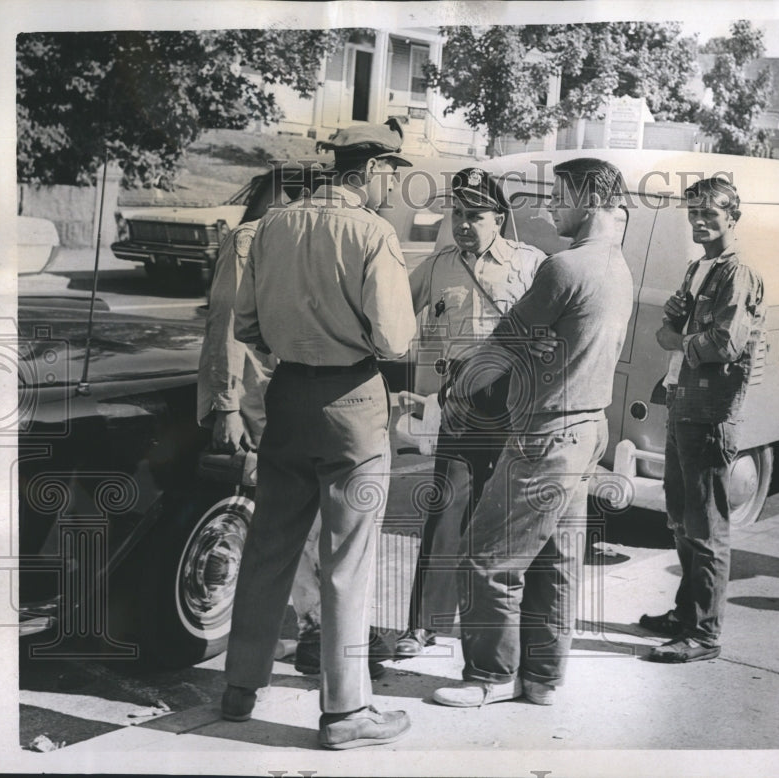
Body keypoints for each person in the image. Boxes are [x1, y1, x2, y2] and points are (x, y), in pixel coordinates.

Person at [220, 119, 417, 750]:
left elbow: (245, 324)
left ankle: (239, 689)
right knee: (347, 563)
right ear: (373, 170)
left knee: (270, 546)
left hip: (286, 396)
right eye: (391, 171)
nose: (393, 182)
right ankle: (345, 714)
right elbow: (394, 338)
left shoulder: (273, 224)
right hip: (351, 400)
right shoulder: (373, 231)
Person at [430, 158, 634, 707]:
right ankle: (541, 678)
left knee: (486, 556)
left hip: (544, 434)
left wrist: (458, 392)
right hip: (587, 427)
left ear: (589, 198)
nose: (549, 208)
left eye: (560, 196)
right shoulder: (617, 266)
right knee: (555, 560)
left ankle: (489, 676)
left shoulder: (564, 267)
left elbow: (501, 344)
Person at [196, 199, 385, 682]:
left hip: (285, 393)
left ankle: (303, 637)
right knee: (290, 531)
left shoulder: (289, 235)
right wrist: (225, 403)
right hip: (261, 399)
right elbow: (227, 323)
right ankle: (314, 628)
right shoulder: (252, 238)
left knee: (304, 526)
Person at [394, 168, 546, 658]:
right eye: (457, 214)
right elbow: (393, 307)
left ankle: (495, 631)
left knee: (502, 518)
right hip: (459, 404)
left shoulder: (530, 264)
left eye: (475, 215)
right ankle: (424, 625)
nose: (463, 224)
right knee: (446, 512)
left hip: (512, 403)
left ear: (498, 219)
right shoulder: (438, 267)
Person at [639, 176, 765, 663]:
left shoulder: (738, 274)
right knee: (680, 516)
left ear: (733, 216)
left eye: (710, 214)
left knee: (708, 524)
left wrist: (677, 338)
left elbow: (727, 344)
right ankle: (684, 614)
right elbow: (673, 325)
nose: (699, 221)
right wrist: (676, 322)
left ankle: (704, 633)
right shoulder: (700, 268)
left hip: (710, 411)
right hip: (682, 401)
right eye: (693, 212)